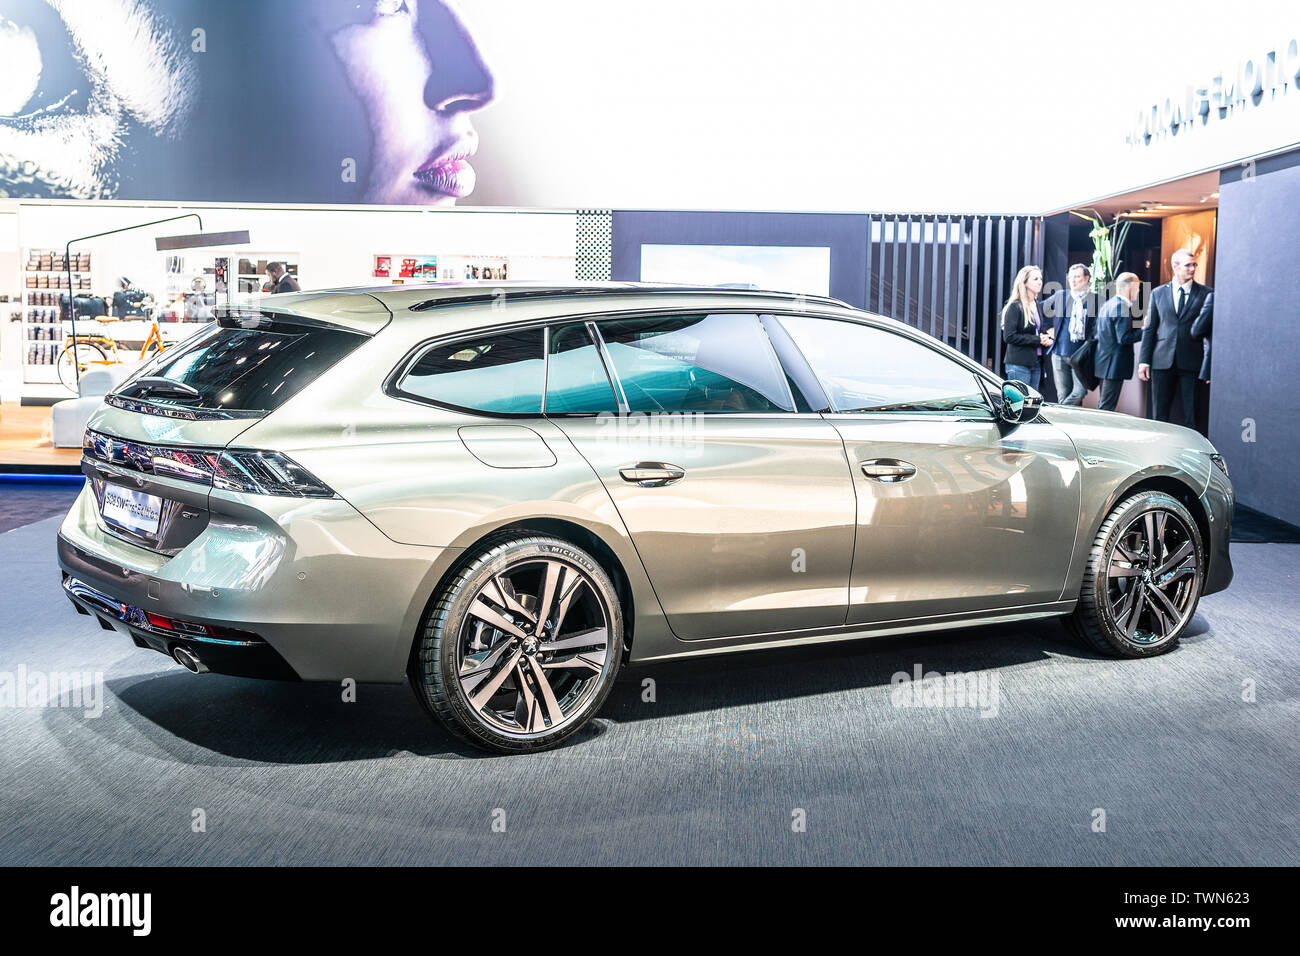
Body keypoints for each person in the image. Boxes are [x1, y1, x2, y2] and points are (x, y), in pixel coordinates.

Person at [1138, 249, 1213, 424]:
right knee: (1159, 414)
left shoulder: (1206, 293)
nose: (1193, 269)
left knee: (1192, 415)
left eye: (1194, 265)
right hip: (1162, 360)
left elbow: (1210, 333)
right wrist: (1144, 361)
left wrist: (1208, 366)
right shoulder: (1158, 293)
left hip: (1192, 361)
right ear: (1175, 266)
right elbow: (1150, 329)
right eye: (1188, 265)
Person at [1040, 263, 1101, 405]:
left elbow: (1100, 326)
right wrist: (1048, 328)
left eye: (1077, 277)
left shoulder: (1096, 299)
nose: (1073, 280)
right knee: (1063, 394)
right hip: (1059, 353)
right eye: (1071, 277)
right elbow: (1039, 309)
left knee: (1080, 392)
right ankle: (1067, 421)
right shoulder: (1061, 296)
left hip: (1081, 356)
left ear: (1086, 278)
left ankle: (1058, 412)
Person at [1094, 272, 1145, 412]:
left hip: (1105, 364)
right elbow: (1123, 338)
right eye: (1138, 286)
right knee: (1106, 408)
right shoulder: (1120, 306)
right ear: (1130, 287)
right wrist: (1146, 331)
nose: (1139, 290)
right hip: (1113, 366)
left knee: (1104, 405)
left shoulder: (1109, 304)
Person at [1000, 265, 1052, 389]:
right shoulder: (1015, 306)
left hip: (1036, 362)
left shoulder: (1037, 305)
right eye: (1035, 279)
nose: (1040, 282)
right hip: (1018, 364)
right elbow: (1009, 336)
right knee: (1019, 405)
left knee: (1032, 405)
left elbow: (1038, 331)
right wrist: (1038, 340)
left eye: (1040, 278)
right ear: (1025, 282)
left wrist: (1047, 337)